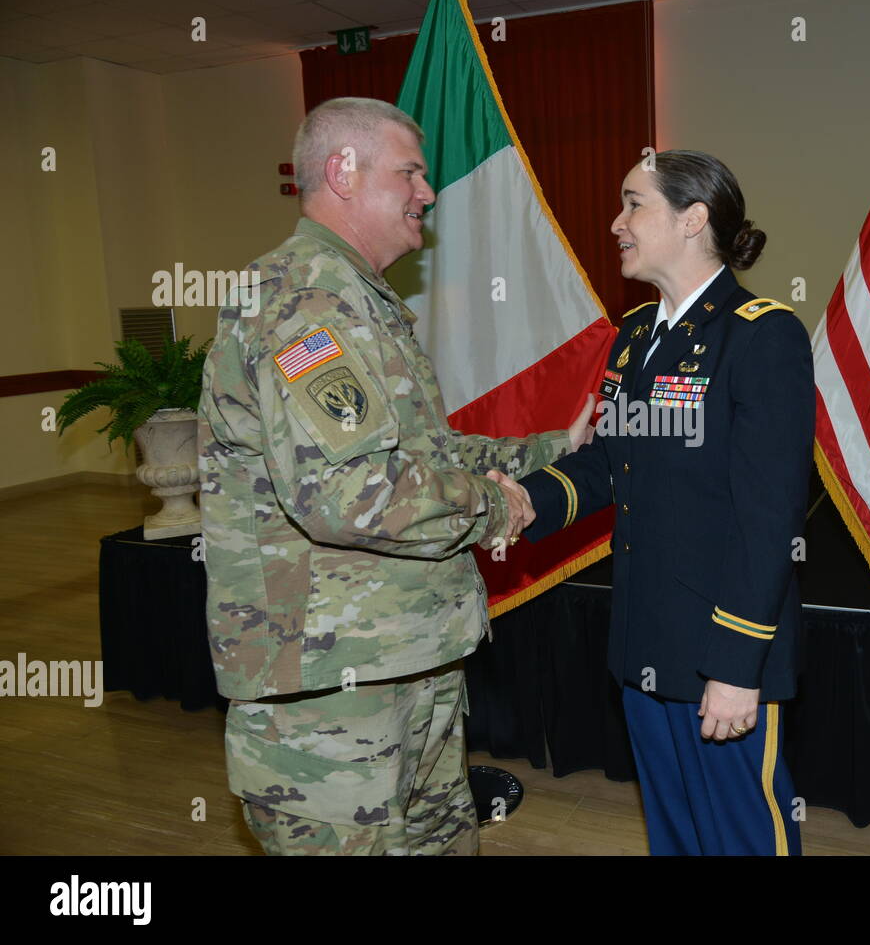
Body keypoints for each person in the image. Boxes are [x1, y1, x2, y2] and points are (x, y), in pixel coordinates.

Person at [198, 97, 589, 855]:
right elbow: (354, 496)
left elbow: (421, 456)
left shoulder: (357, 301)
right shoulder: (304, 300)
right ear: (342, 171)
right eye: (411, 171)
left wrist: (552, 449)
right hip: (329, 704)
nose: (428, 192)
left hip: (400, 669)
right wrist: (494, 511)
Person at [515, 150, 814, 855]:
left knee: (742, 838)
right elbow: (606, 467)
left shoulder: (761, 335)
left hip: (721, 650)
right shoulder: (635, 338)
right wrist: (525, 503)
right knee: (676, 838)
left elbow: (770, 517)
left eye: (633, 204)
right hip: (645, 643)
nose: (616, 223)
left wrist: (737, 668)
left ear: (693, 219)